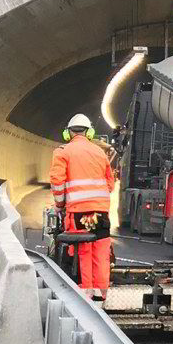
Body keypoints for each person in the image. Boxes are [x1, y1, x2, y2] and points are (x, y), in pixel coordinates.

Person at [49, 113, 116, 304]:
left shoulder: (62, 152)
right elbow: (110, 184)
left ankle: (86, 291)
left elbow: (57, 182)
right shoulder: (100, 153)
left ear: (68, 133)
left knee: (84, 249)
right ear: (89, 133)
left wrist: (60, 205)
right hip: (100, 212)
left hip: (79, 212)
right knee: (101, 250)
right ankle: (101, 293)